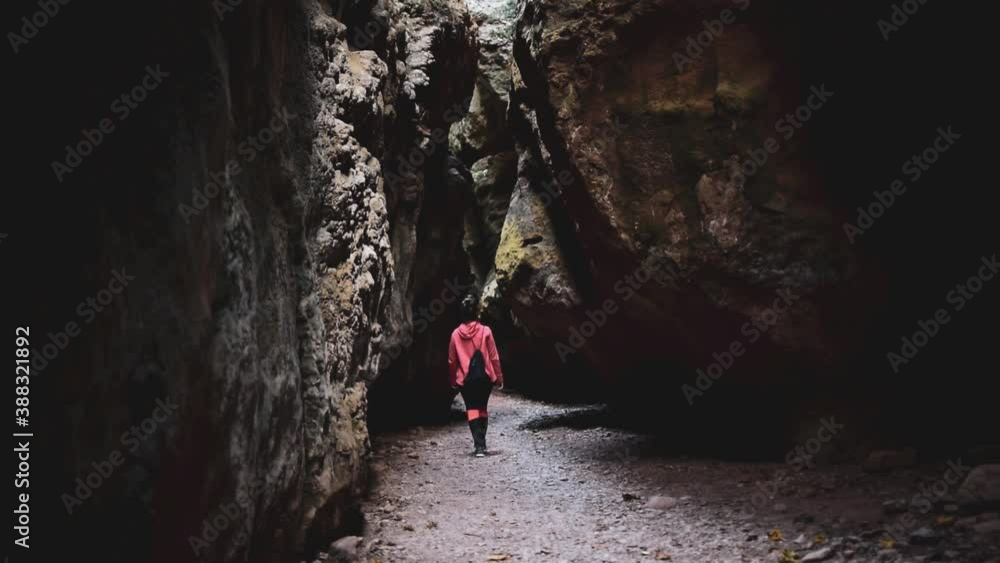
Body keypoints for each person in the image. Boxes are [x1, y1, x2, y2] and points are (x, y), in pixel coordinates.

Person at [448, 295, 504, 457]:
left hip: (466, 380)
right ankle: (482, 445)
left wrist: (453, 380)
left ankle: (478, 446)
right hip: (485, 377)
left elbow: (452, 361)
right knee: (482, 408)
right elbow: (494, 357)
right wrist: (499, 377)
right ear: (477, 313)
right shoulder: (486, 331)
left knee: (472, 409)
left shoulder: (455, 335)